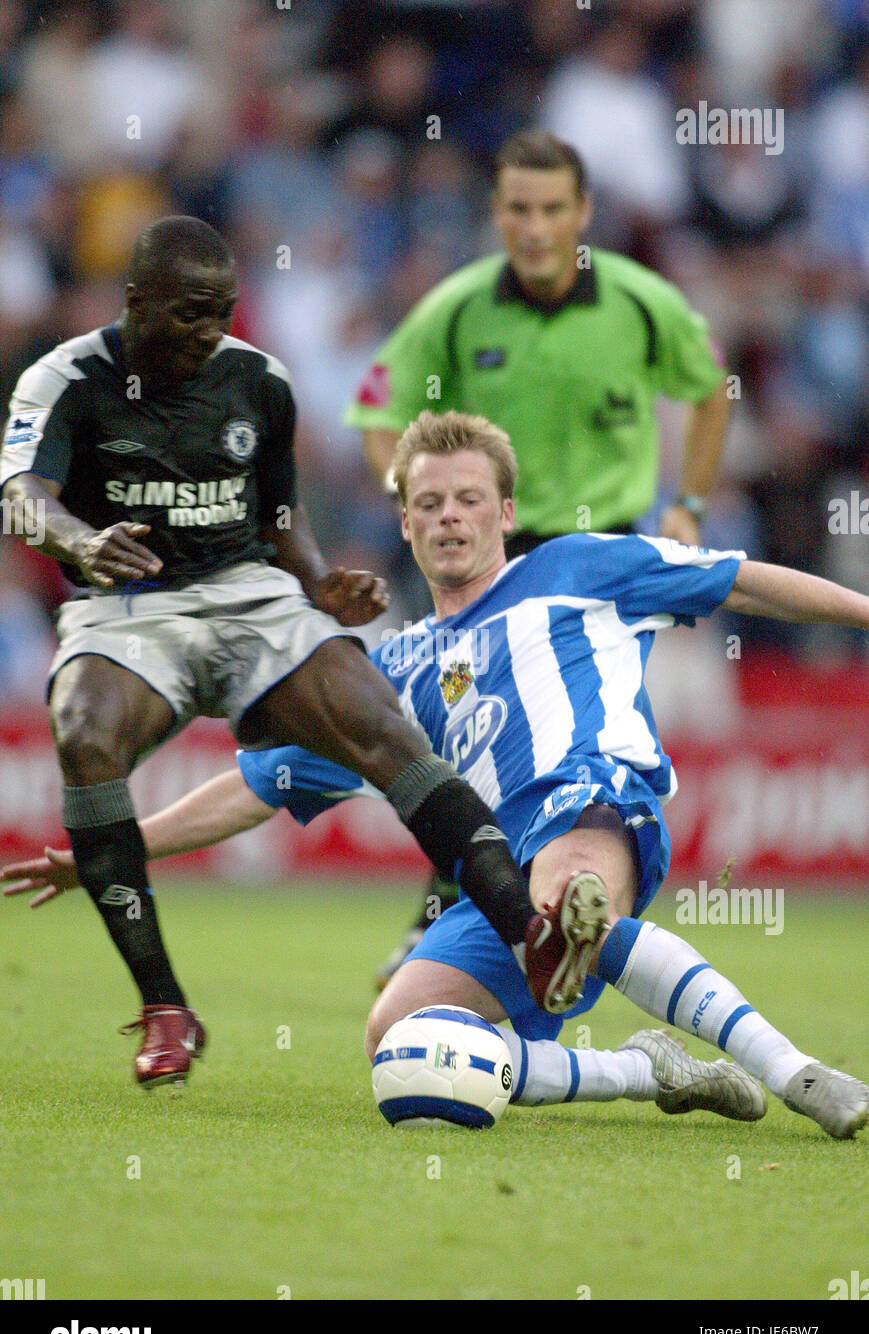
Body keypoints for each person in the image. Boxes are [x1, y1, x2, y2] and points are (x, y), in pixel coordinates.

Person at [7, 410, 868, 1140]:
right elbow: (256, 784)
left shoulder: (576, 567)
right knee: (402, 1039)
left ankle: (795, 1073)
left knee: (567, 899)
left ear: (504, 510)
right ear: (405, 523)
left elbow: (741, 585)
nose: (449, 517)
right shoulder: (392, 674)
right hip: (493, 880)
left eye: (466, 500)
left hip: (593, 802)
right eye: (428, 503)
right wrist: (113, 850)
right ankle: (648, 1072)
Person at [0, 219, 580, 1090]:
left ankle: (525, 931)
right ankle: (164, 1005)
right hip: (126, 604)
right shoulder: (66, 377)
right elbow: (19, 495)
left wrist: (317, 581)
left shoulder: (258, 381)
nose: (210, 331)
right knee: (83, 728)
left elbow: (279, 516)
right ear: (137, 304)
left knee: (376, 718)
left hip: (248, 595)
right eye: (190, 313)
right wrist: (79, 543)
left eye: (222, 312)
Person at [345, 129, 732, 983]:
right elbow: (376, 405)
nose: (534, 227)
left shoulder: (639, 302)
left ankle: (571, 903)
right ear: (497, 213)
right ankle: (506, 912)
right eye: (518, 208)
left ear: (582, 213)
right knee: (468, 748)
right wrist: (409, 496)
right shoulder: (456, 307)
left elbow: (710, 389)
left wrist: (691, 504)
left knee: (581, 745)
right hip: (491, 553)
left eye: (552, 209)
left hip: (599, 561)